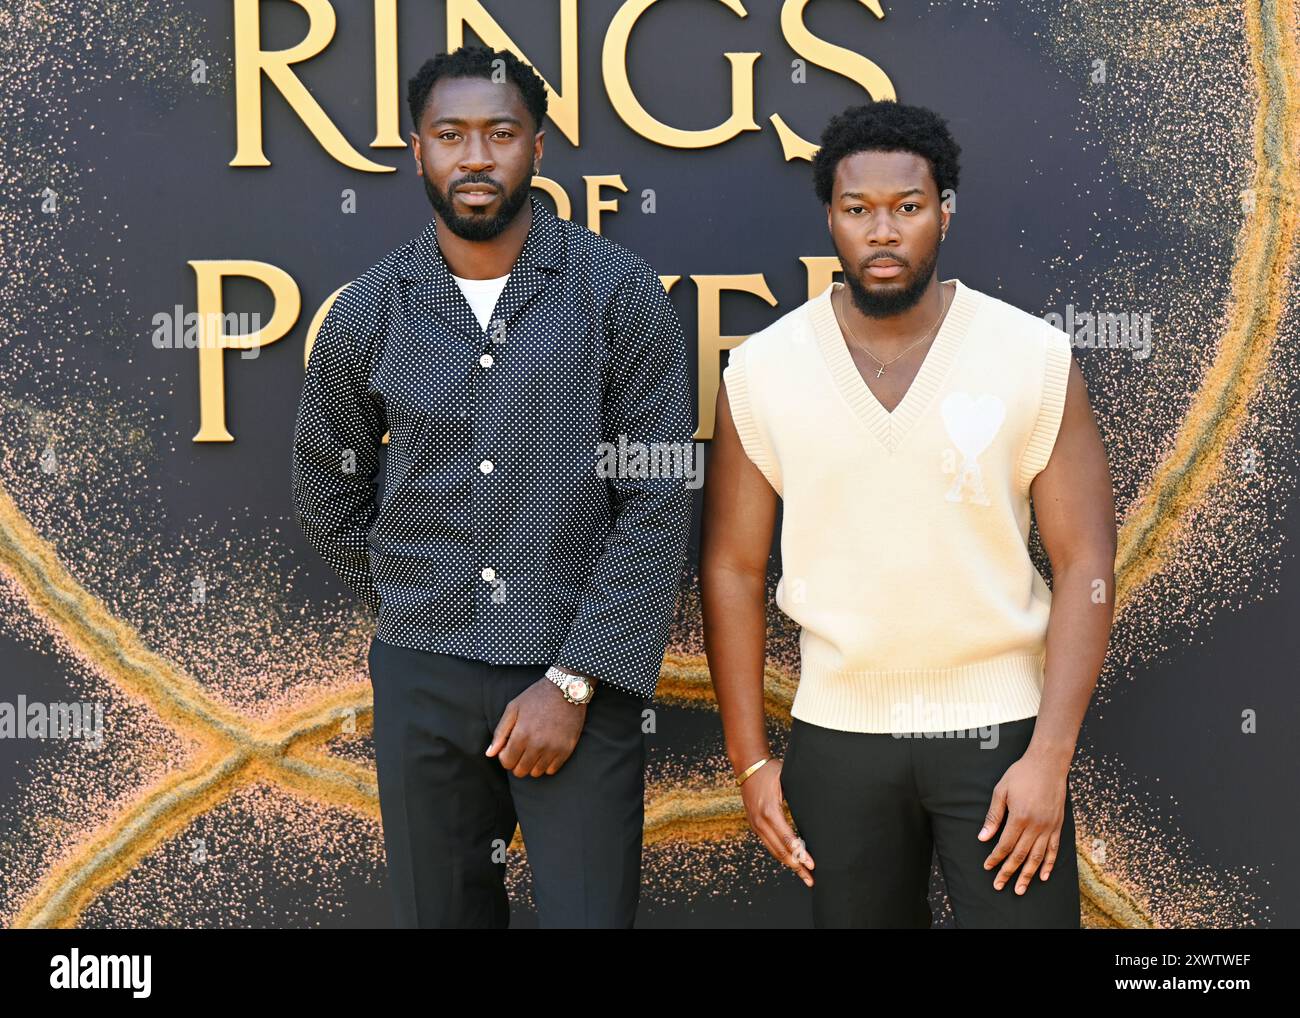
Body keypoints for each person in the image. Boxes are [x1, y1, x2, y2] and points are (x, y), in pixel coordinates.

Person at [290, 45, 693, 928]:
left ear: (538, 148)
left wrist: (576, 681)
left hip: (575, 679)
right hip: (421, 680)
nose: (477, 157)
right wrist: (418, 601)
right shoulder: (370, 309)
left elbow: (658, 501)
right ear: (417, 150)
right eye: (451, 134)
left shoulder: (616, 293)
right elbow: (329, 495)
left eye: (501, 132)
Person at [700, 100, 1116, 928]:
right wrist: (750, 763)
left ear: (945, 213)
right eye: (858, 210)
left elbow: (1087, 566)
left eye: (908, 207)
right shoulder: (763, 370)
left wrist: (1049, 760)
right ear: (830, 217)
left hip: (1000, 741)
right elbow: (733, 569)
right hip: (838, 742)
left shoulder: (1029, 356)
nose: (881, 231)